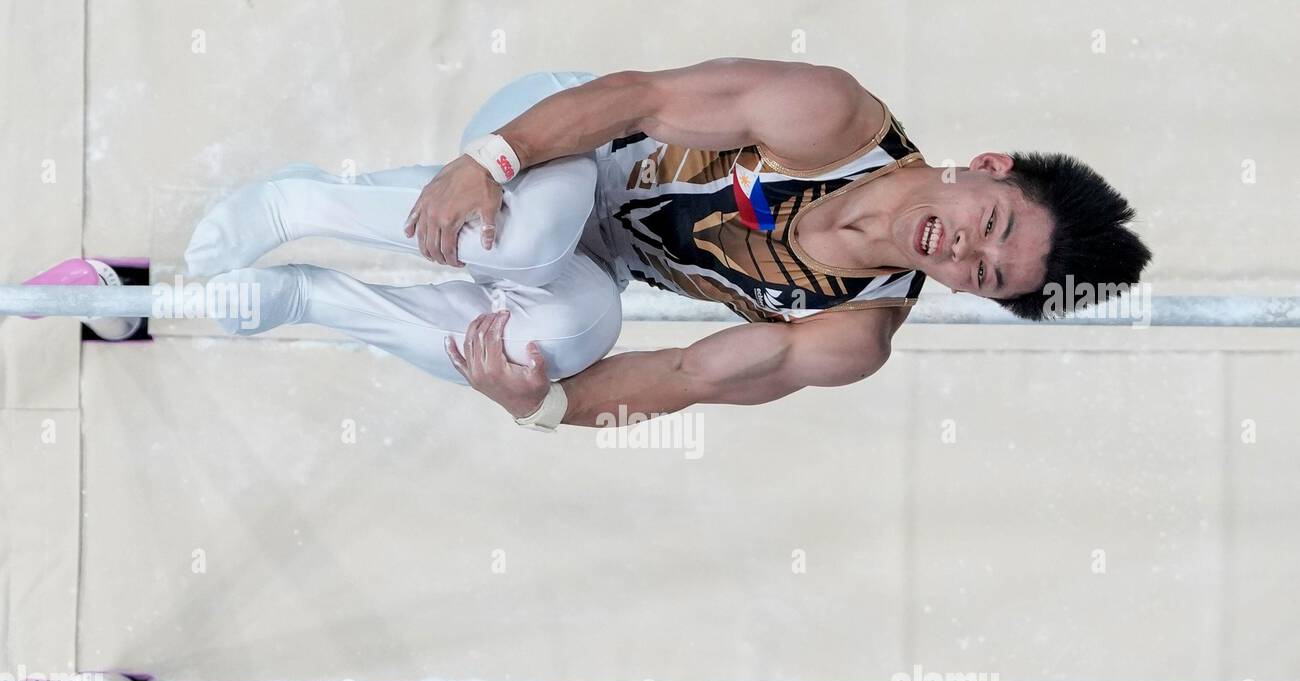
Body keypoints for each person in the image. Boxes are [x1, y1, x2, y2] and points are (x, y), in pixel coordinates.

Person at [184, 58, 1150, 432]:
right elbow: (640, 99)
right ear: (987, 165)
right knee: (533, 228)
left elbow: (683, 373)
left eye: (983, 275)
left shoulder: (849, 335)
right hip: (568, 145)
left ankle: (309, 300)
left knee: (550, 344)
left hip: (591, 264)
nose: (960, 252)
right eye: (992, 224)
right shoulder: (831, 118)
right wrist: (495, 154)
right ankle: (291, 207)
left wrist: (544, 405)